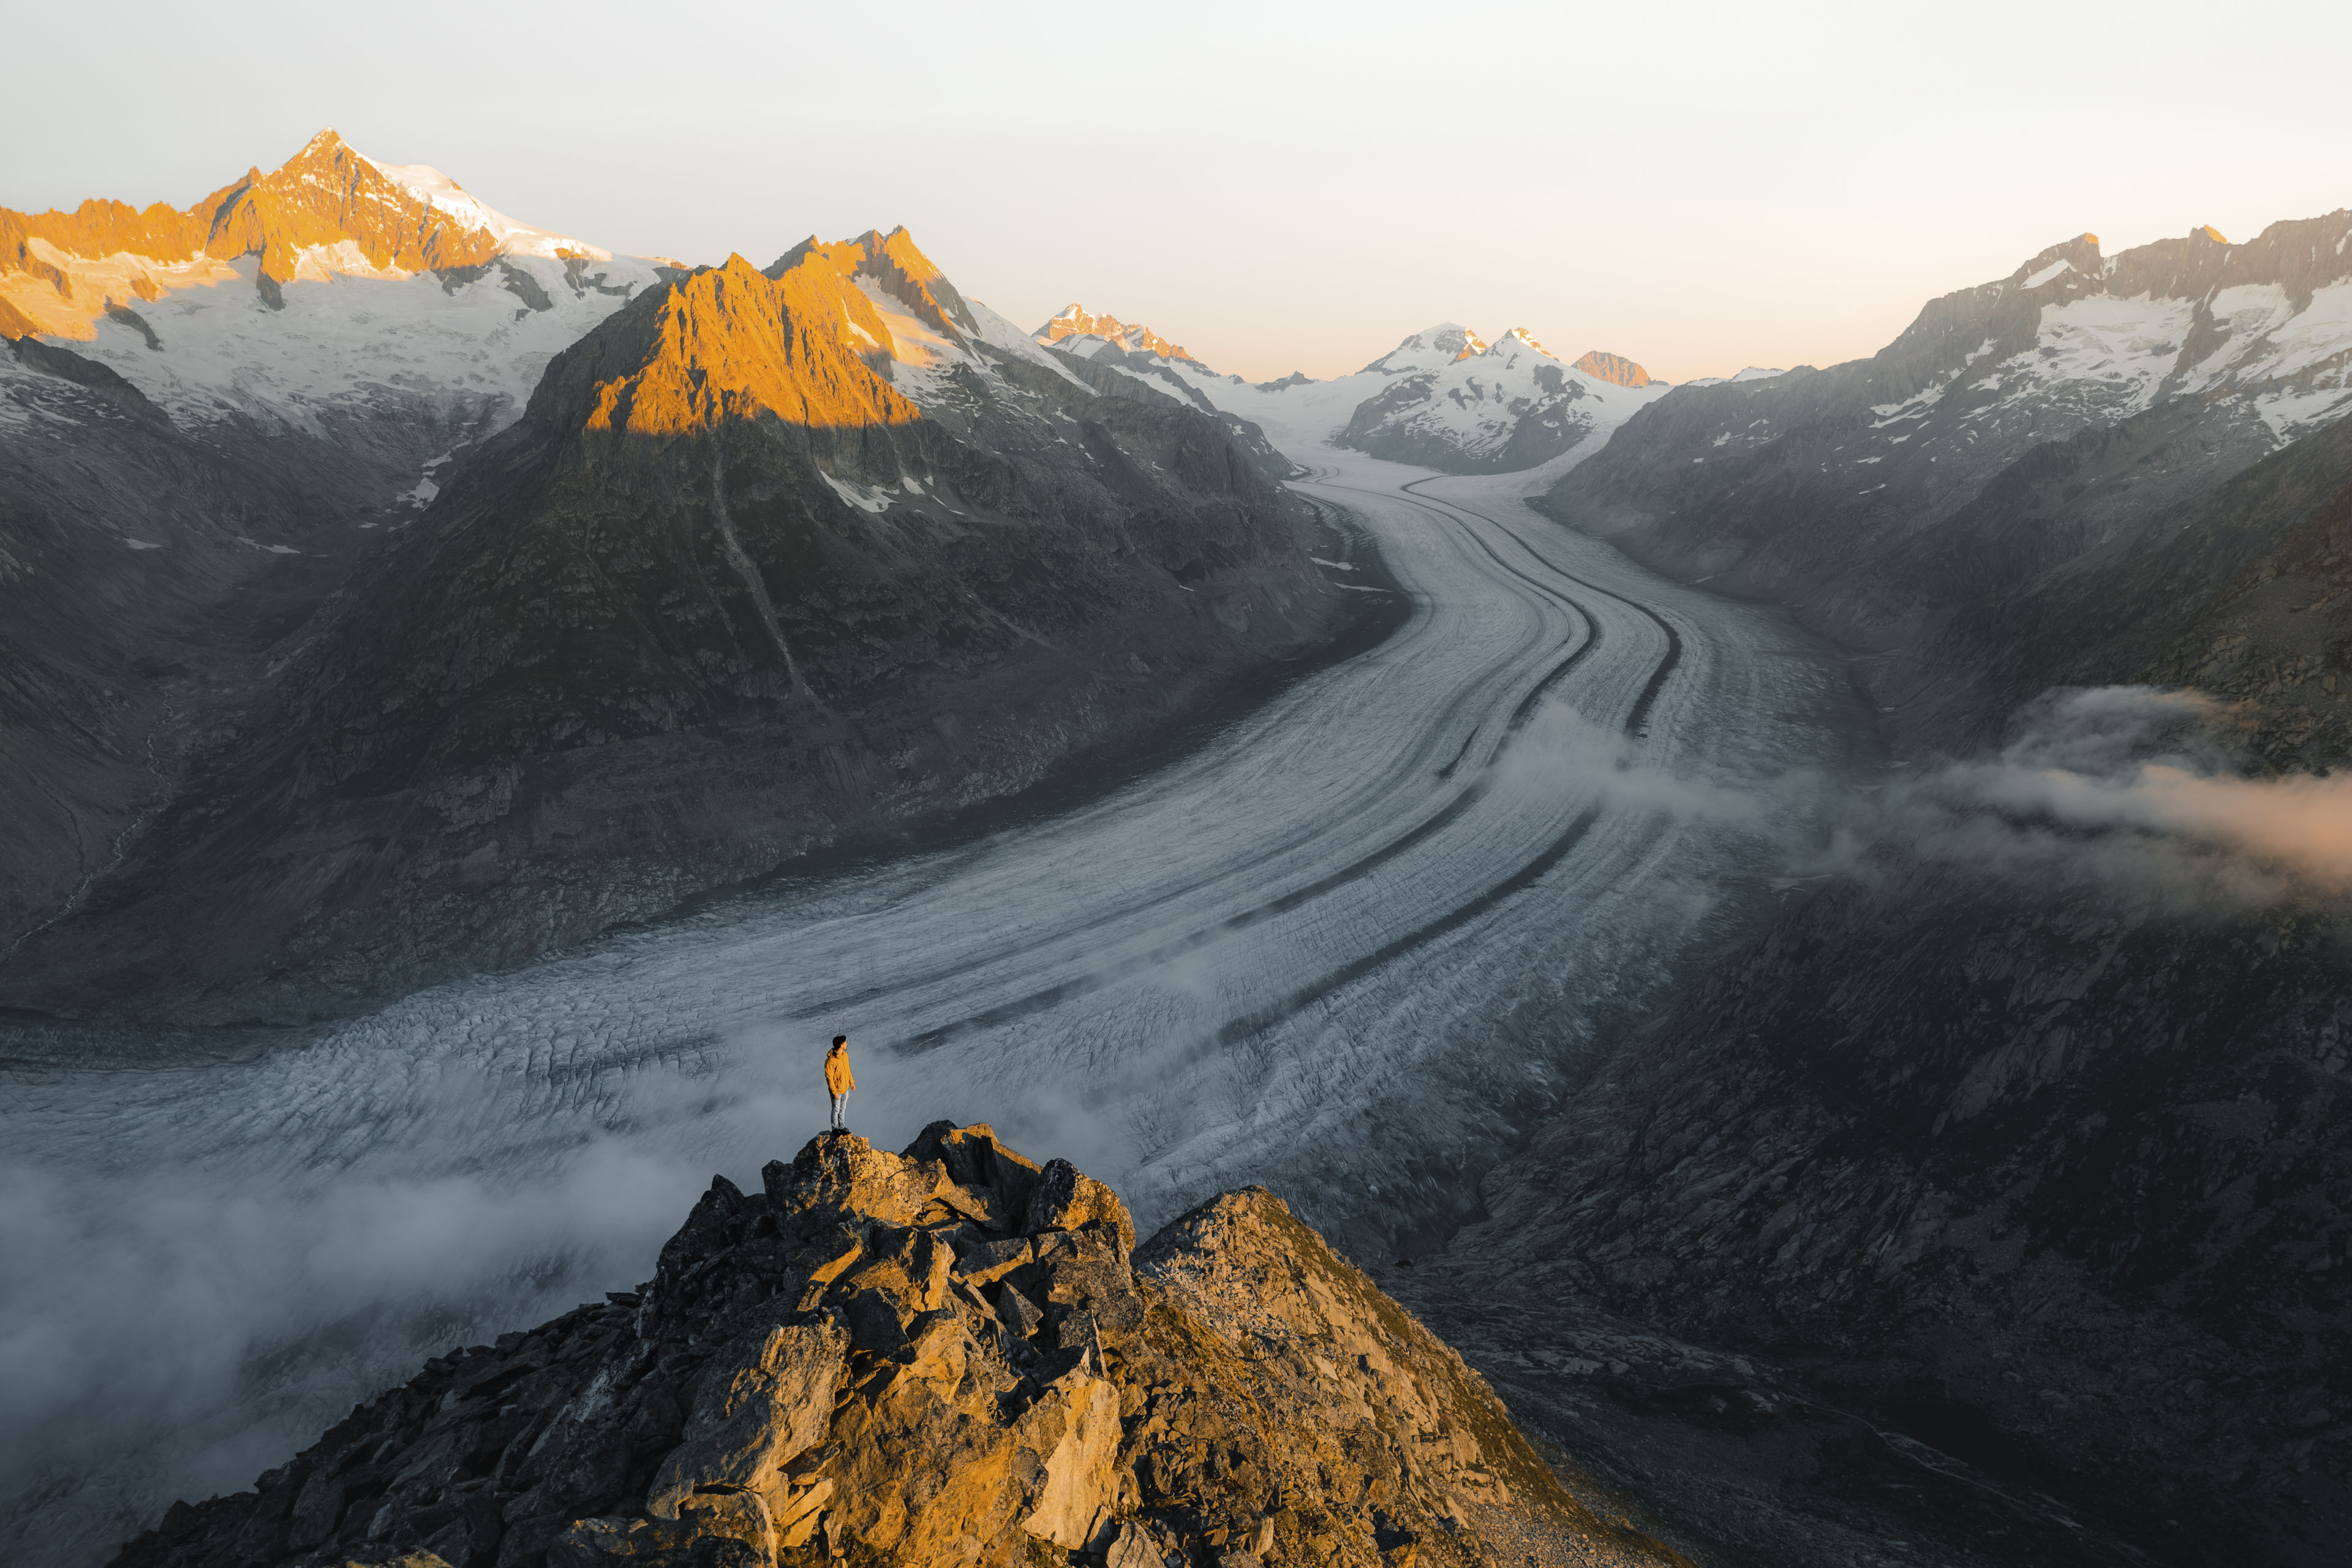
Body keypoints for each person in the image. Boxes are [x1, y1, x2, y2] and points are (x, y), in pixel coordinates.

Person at [824, 1035, 856, 1133]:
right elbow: (829, 1078)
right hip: (837, 1090)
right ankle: (835, 1129)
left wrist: (851, 1082)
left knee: (843, 1108)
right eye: (845, 1043)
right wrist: (834, 1092)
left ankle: (842, 1127)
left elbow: (848, 1070)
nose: (847, 1044)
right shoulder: (831, 1061)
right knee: (836, 1109)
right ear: (841, 1045)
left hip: (845, 1088)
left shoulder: (845, 1056)